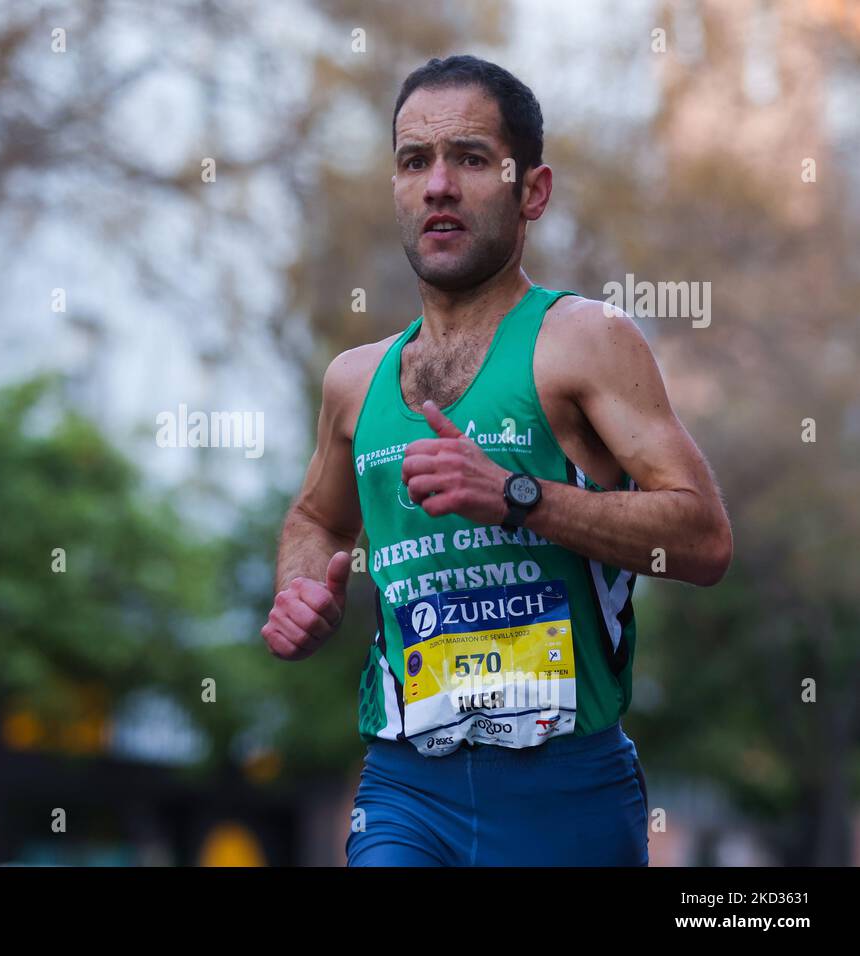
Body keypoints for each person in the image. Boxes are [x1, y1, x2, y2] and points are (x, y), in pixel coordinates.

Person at [260, 55, 733, 866]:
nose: (438, 185)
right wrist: (301, 590)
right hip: (406, 788)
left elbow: (701, 540)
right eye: (415, 162)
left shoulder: (585, 342)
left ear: (533, 192)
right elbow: (316, 516)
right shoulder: (354, 381)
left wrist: (519, 495)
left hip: (568, 794)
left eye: (471, 159)